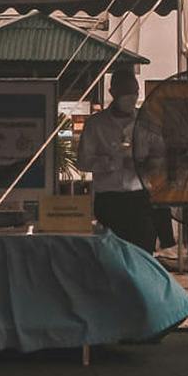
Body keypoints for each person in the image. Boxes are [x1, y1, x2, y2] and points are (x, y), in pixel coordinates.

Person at [76, 63, 162, 250]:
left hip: (140, 195)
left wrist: (150, 164)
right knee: (113, 252)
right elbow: (83, 161)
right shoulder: (96, 124)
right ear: (113, 92)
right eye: (125, 92)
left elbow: (160, 153)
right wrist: (113, 162)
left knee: (143, 251)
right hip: (109, 198)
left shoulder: (147, 122)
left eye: (135, 92)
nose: (131, 97)